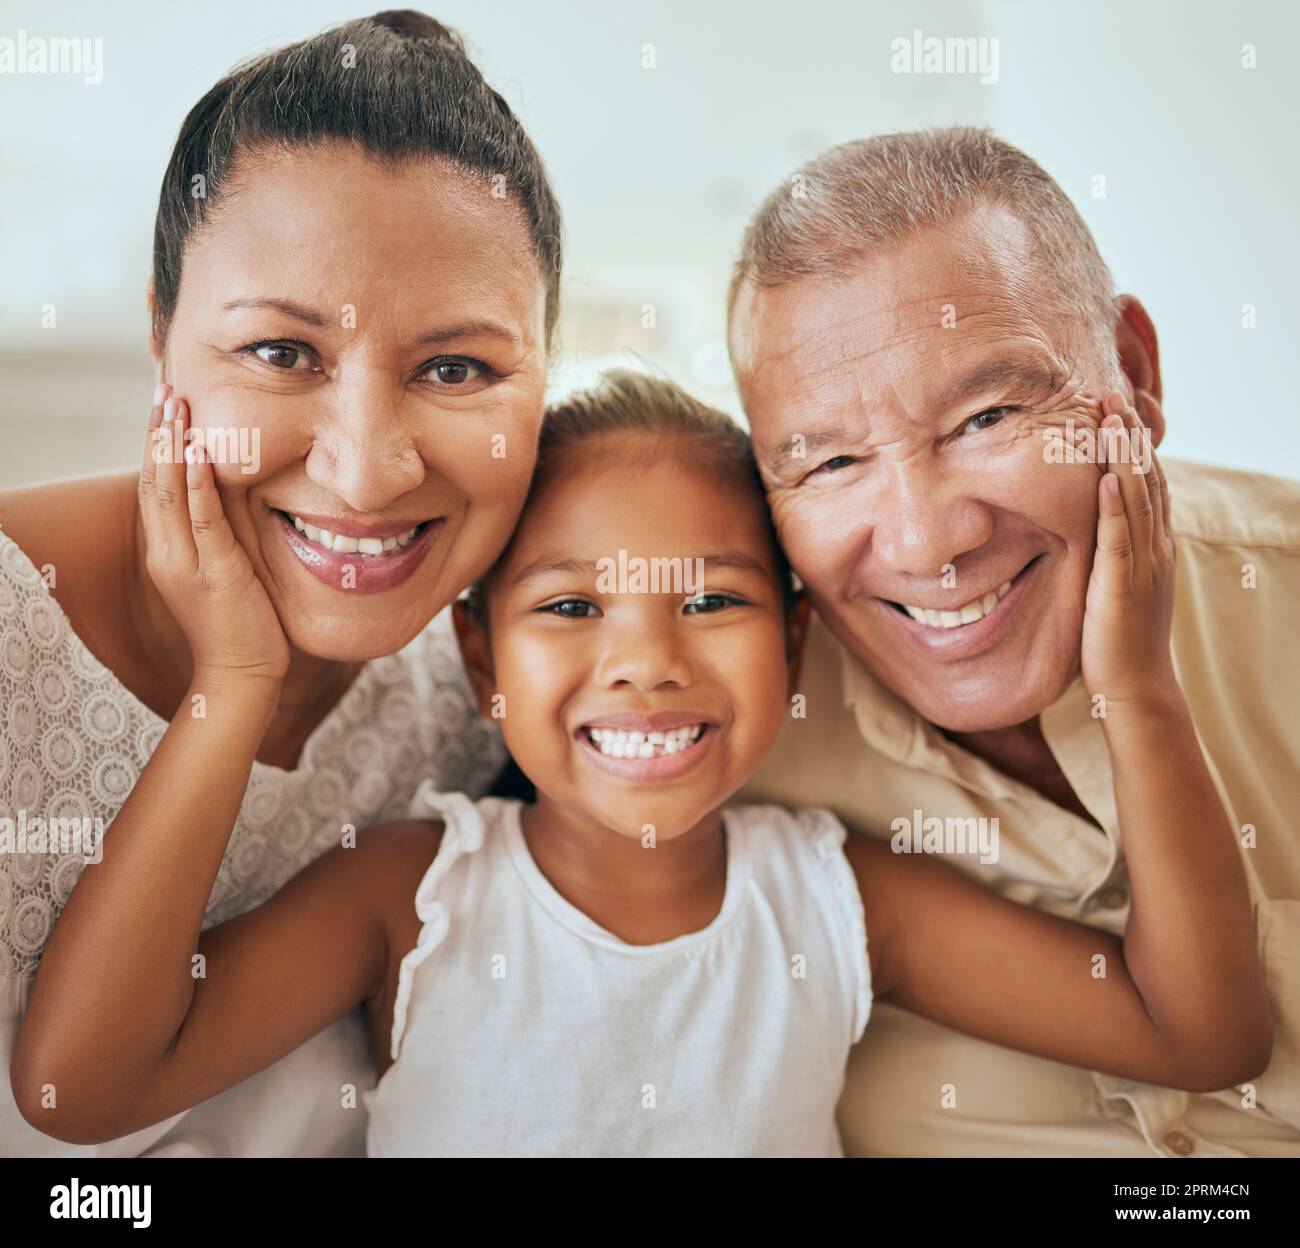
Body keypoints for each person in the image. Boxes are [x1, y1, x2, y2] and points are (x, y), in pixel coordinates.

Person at [11, 371, 1271, 1157]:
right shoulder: (409, 891)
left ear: (790, 645)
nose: (644, 664)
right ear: (477, 657)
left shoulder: (836, 901)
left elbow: (1200, 1030)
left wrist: (1138, 693)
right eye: (568, 610)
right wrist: (232, 690)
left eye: (711, 602)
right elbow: (77, 1088)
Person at [0, 10, 561, 1157]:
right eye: (280, 353)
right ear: (162, 337)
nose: (365, 469)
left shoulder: (479, 686)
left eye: (456, 368)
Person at [728, 126, 1300, 1157]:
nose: (924, 540)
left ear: (1130, 371)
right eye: (829, 465)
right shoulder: (717, 732)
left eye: (987, 416)